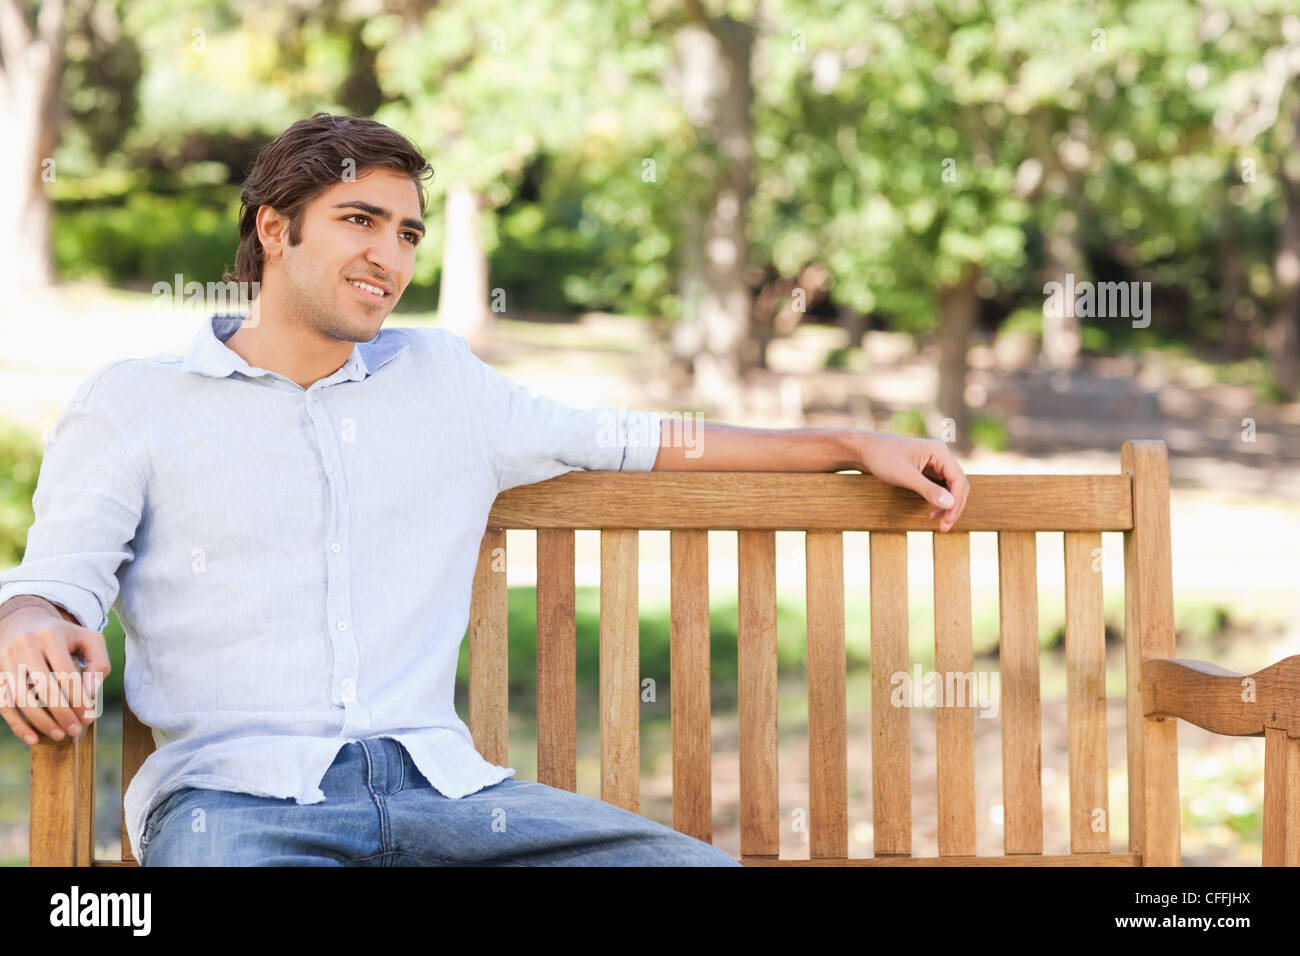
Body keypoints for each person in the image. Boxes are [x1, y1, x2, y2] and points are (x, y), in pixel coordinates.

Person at [0, 113, 968, 866]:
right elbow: (55, 578)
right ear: (274, 228)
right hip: (236, 800)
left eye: (408, 233)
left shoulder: (446, 382)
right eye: (359, 221)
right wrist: (29, 622)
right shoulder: (138, 400)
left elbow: (634, 439)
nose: (389, 256)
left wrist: (846, 440)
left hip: (450, 797)